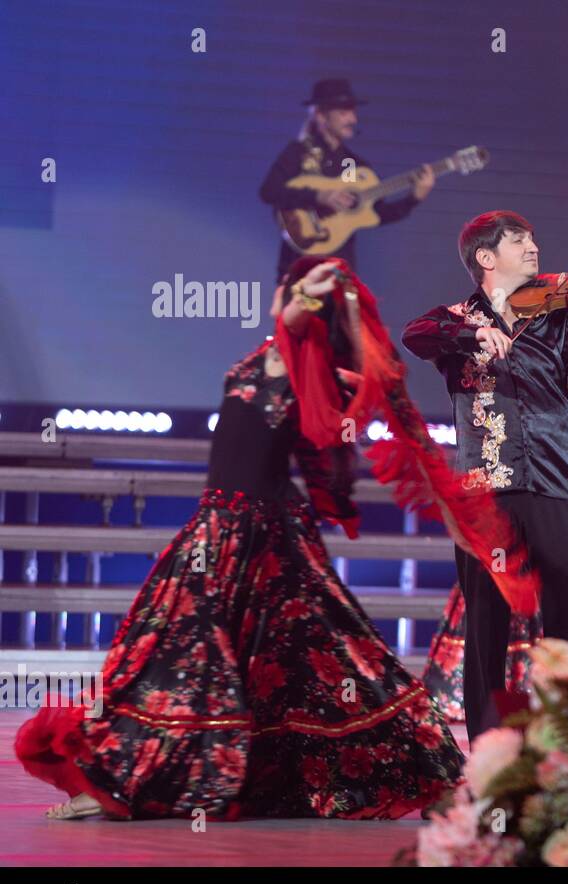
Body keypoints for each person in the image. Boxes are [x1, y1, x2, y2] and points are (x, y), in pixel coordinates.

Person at [15, 257, 534, 820]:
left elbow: (297, 332)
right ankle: (134, 781)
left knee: (324, 657)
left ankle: (422, 771)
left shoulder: (307, 363)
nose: (286, 298)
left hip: (260, 532)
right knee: (185, 654)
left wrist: (309, 295)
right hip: (217, 526)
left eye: (295, 293)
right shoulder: (272, 355)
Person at [402, 210, 568, 738]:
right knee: (486, 625)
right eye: (519, 240)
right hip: (484, 492)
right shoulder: (452, 318)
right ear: (485, 257)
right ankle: (489, 748)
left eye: (533, 238)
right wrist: (475, 332)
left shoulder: (558, 314)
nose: (533, 247)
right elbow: (415, 334)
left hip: (549, 477)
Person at [422, 384, 568, 720]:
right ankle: (493, 704)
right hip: (499, 486)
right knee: (493, 584)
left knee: (532, 579)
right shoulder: (496, 362)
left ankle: (543, 696)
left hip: (543, 496)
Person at [259, 78, 434, 276]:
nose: (353, 119)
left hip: (339, 269)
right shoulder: (298, 154)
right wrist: (317, 196)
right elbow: (269, 191)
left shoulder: (350, 165)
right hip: (298, 266)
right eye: (344, 113)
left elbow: (374, 213)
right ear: (321, 116)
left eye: (353, 112)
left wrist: (414, 199)